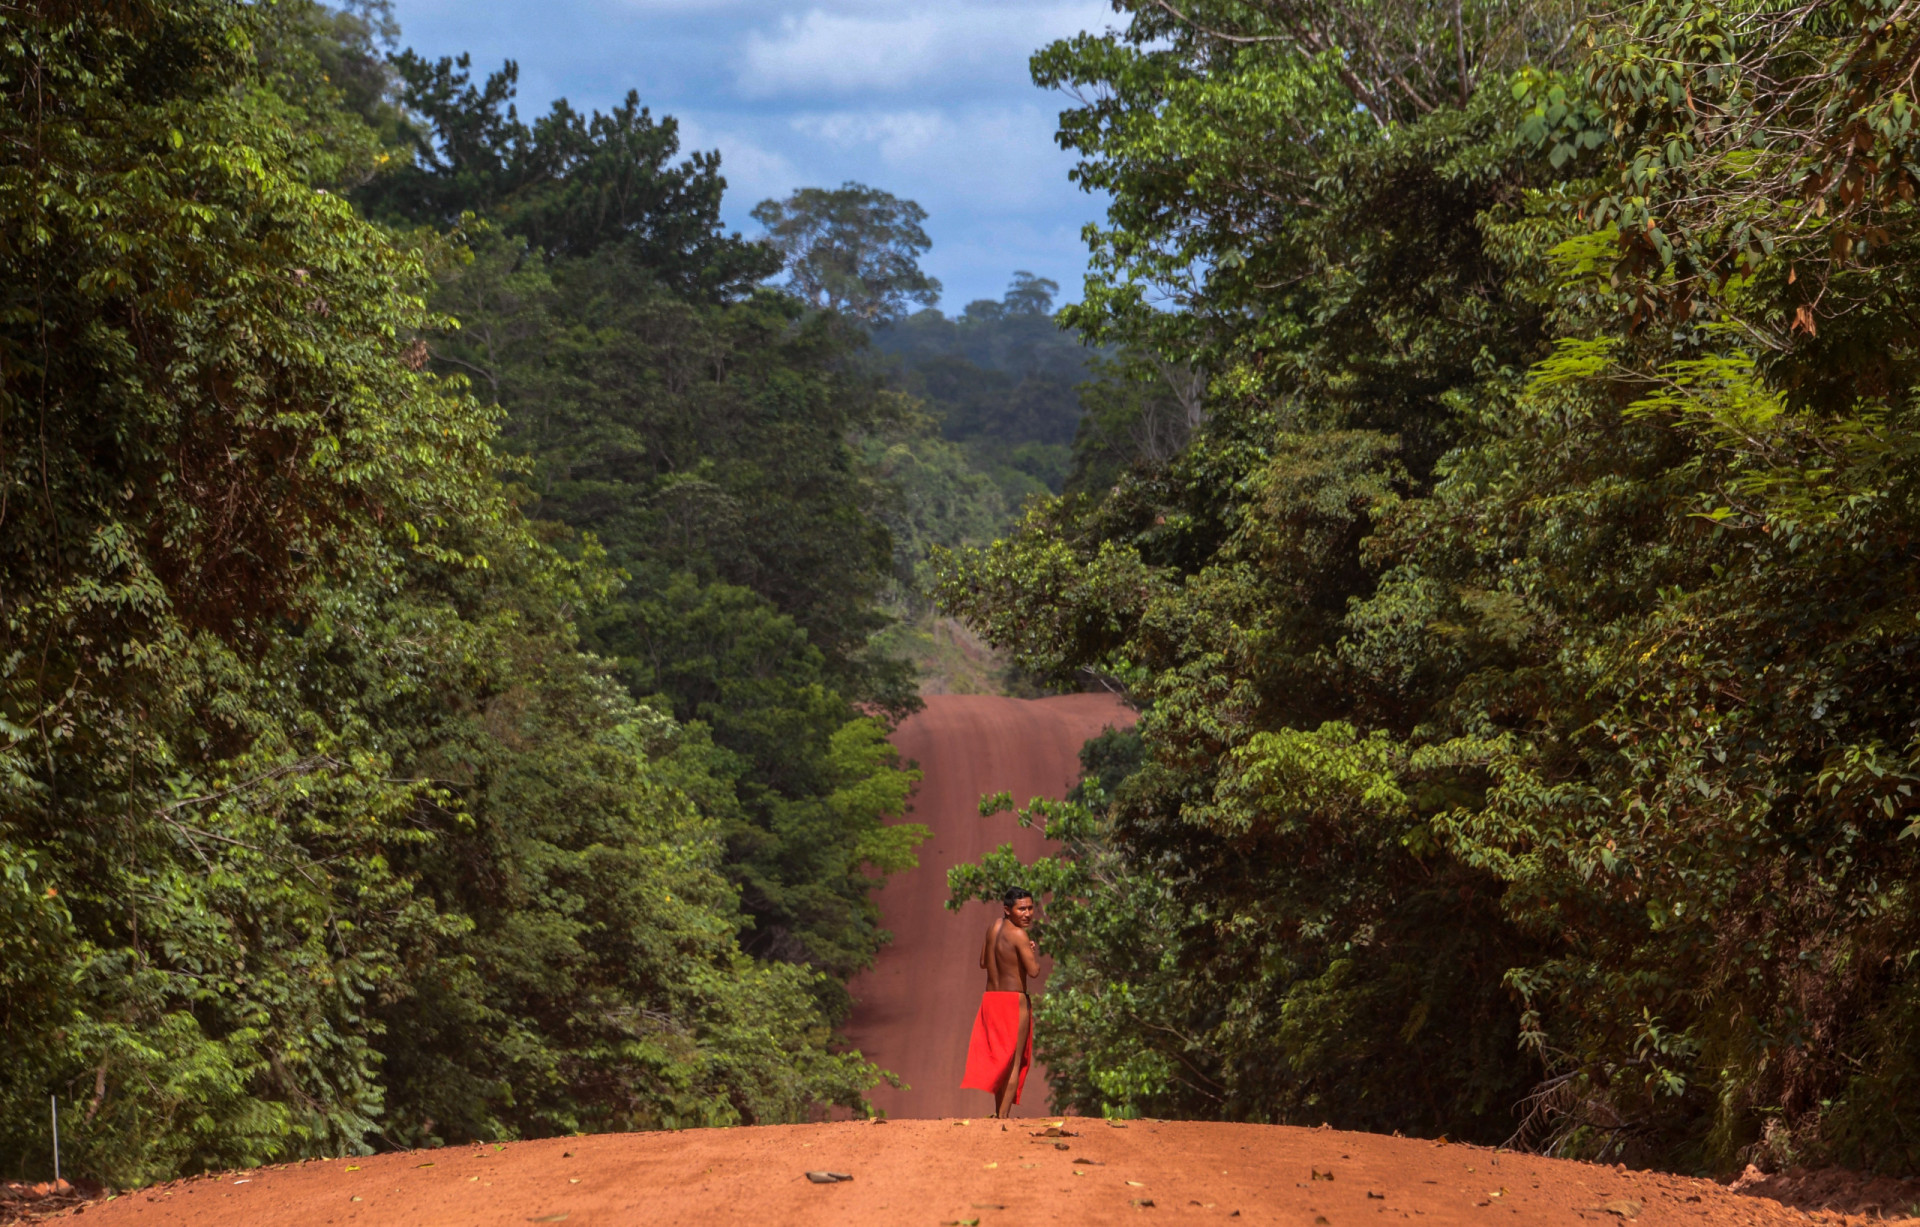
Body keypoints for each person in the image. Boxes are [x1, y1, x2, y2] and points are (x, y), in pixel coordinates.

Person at [960, 886, 1040, 1118]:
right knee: (1014, 1063)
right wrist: (1030, 951)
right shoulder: (1019, 935)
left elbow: (984, 962)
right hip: (1013, 1000)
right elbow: (1033, 972)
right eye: (1021, 909)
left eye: (1030, 908)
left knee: (999, 1062)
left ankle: (999, 1114)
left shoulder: (993, 928)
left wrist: (1020, 951)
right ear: (1007, 910)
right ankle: (1002, 1118)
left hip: (991, 1000)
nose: (1027, 914)